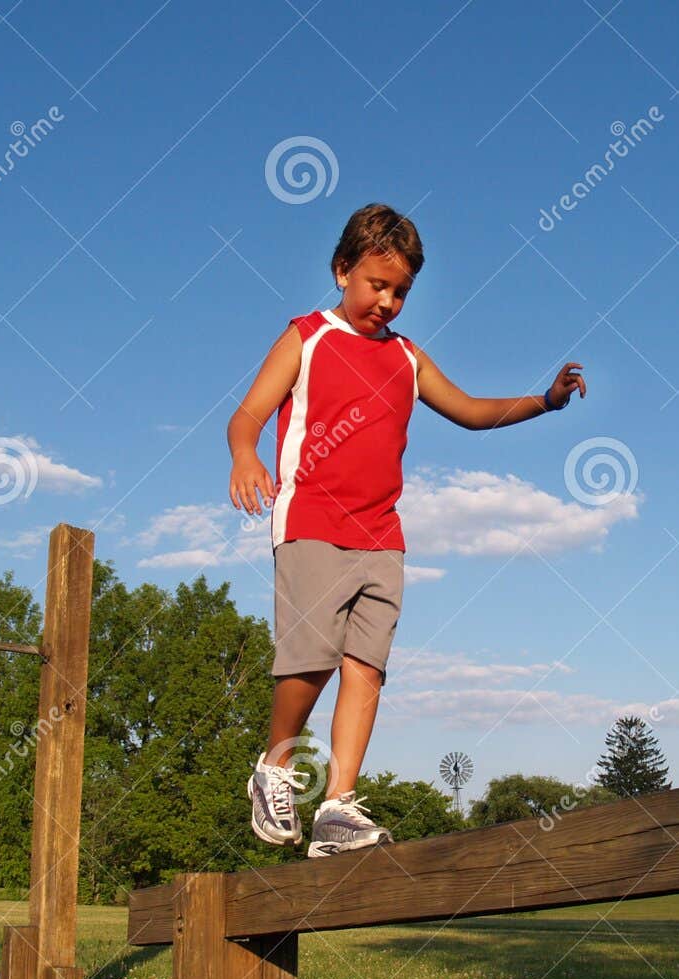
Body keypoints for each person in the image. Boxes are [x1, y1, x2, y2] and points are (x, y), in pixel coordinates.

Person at [228, 202, 586, 858]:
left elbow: (473, 411)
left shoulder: (407, 358)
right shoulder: (307, 337)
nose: (388, 301)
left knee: (366, 668)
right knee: (310, 655)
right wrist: (245, 454)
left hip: (382, 535)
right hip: (310, 521)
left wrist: (544, 401)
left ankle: (337, 806)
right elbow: (248, 413)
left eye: (401, 292)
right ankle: (275, 767)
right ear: (342, 270)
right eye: (377, 284)